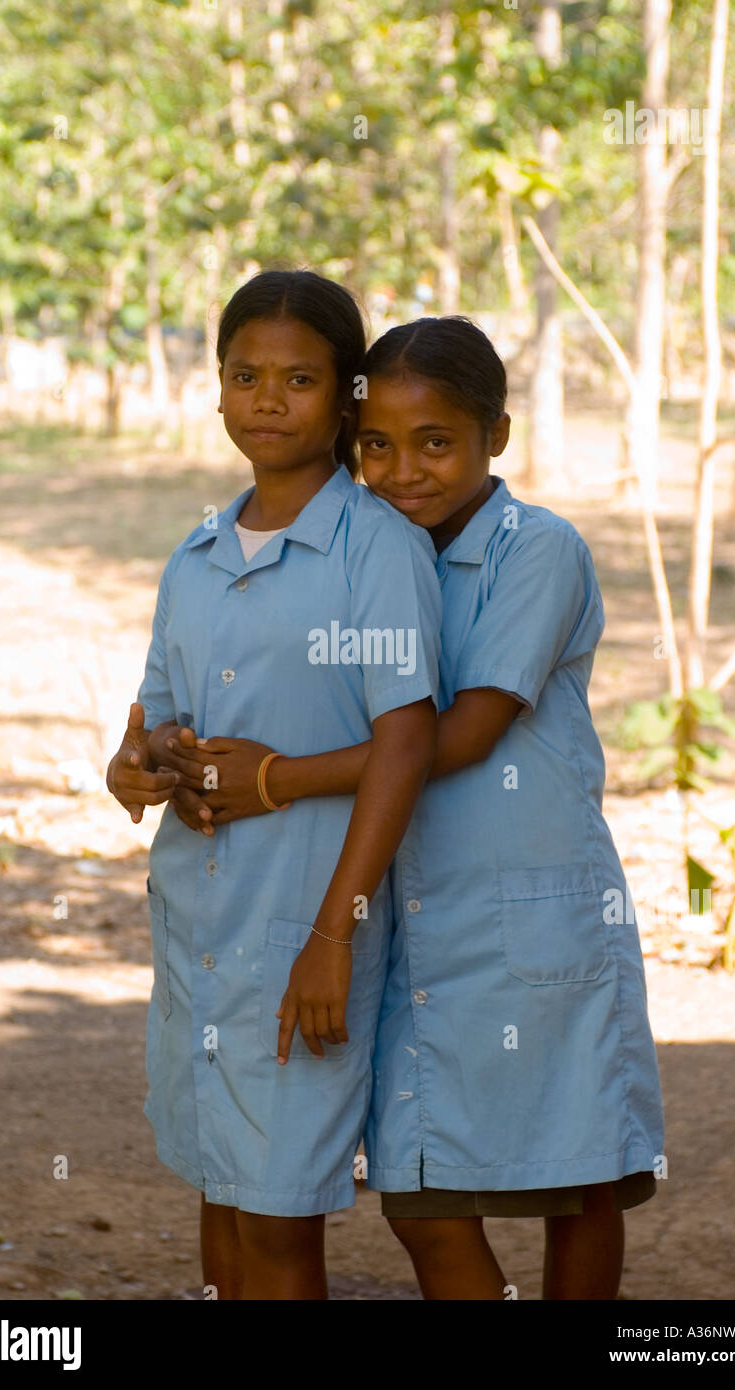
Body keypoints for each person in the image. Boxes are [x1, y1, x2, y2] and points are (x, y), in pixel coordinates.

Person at [166, 315, 665, 1301]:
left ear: (497, 438)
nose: (404, 470)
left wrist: (275, 779)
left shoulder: (538, 550)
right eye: (376, 445)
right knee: (420, 1194)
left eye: (436, 442)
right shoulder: (368, 551)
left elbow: (463, 733)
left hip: (532, 912)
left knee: (581, 1179)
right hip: (405, 920)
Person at [106, 272, 441, 1300]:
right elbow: (148, 733)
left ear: (346, 395)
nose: (267, 399)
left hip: (305, 932)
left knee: (282, 1217)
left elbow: (408, 738)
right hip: (199, 923)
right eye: (245, 374)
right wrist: (143, 765)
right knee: (220, 1192)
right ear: (215, 388)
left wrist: (335, 933)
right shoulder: (195, 556)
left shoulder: (376, 548)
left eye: (299, 378)